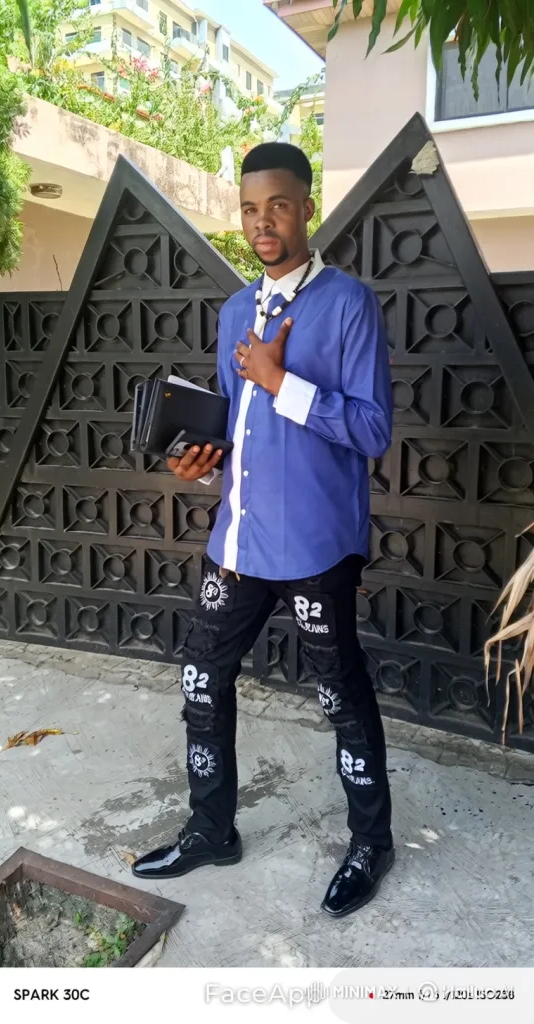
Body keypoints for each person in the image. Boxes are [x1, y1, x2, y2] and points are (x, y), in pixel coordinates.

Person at [132, 142, 394, 918]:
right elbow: (235, 430)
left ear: (307, 205)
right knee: (201, 684)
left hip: (316, 546)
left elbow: (374, 431)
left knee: (341, 696)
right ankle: (213, 829)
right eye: (249, 208)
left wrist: (283, 381)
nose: (262, 222)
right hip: (237, 544)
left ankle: (371, 843)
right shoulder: (233, 312)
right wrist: (200, 461)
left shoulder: (348, 304)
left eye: (278, 204)